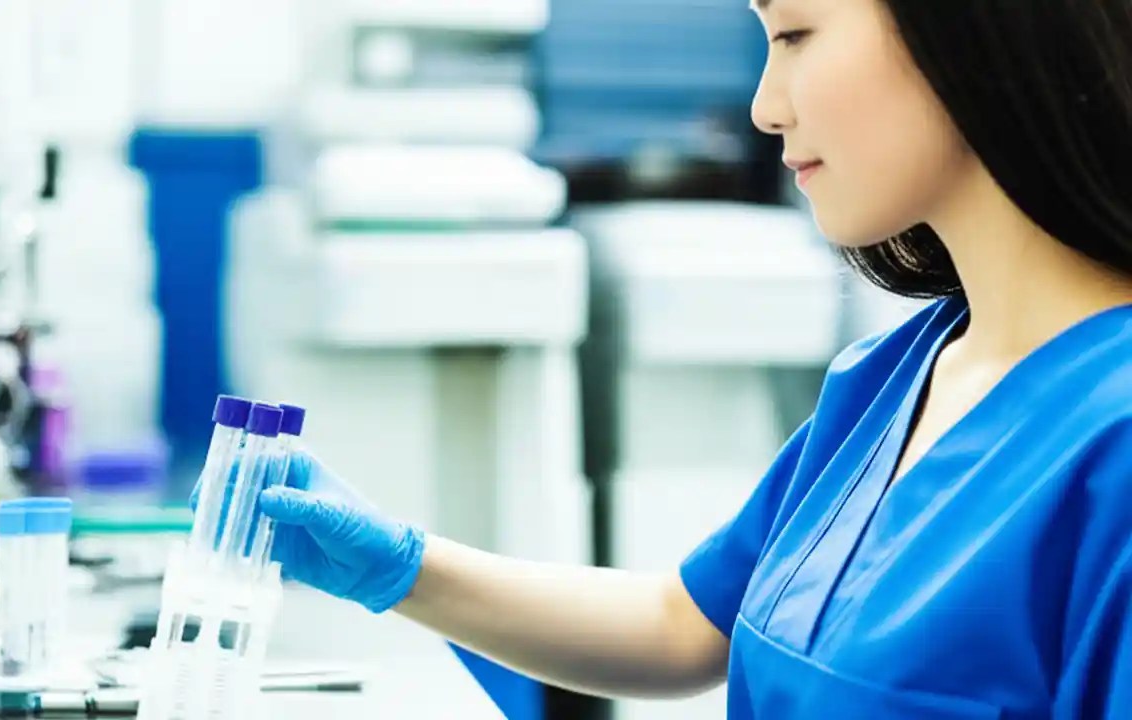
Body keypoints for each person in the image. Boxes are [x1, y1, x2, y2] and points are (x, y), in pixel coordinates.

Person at [244, 0, 1132, 716]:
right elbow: (683, 626)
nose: (763, 106)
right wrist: (399, 566)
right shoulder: (893, 376)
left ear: (970, 32)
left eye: (795, 33)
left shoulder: (1114, 448)